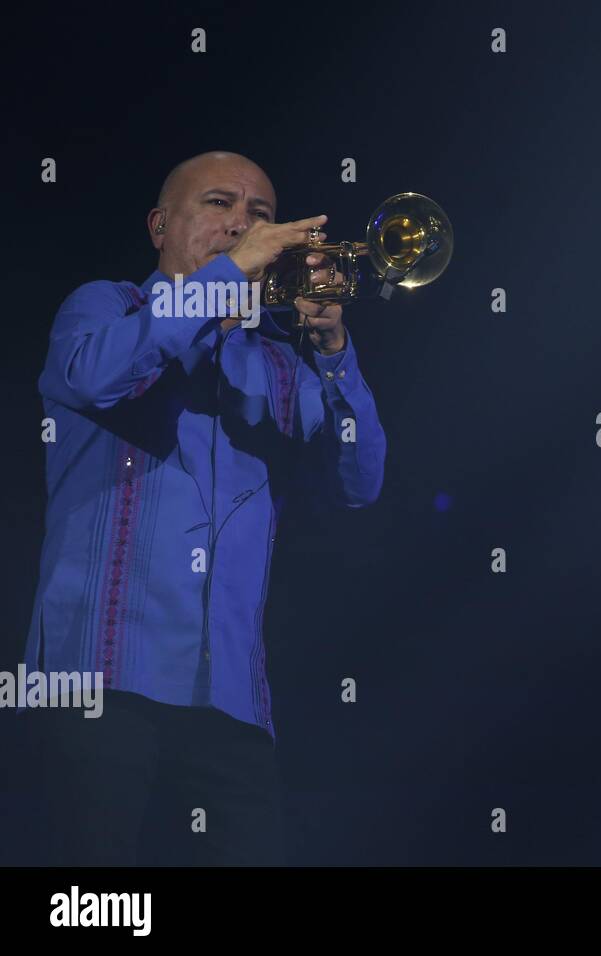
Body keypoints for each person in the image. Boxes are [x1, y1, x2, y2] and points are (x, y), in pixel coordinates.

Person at [25, 151, 387, 865]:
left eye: (258, 214)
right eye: (219, 204)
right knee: (95, 910)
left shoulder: (280, 361)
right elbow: (95, 376)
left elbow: (359, 480)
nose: (241, 226)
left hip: (232, 705)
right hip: (97, 682)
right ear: (161, 225)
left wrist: (333, 347)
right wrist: (223, 283)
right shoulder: (107, 307)